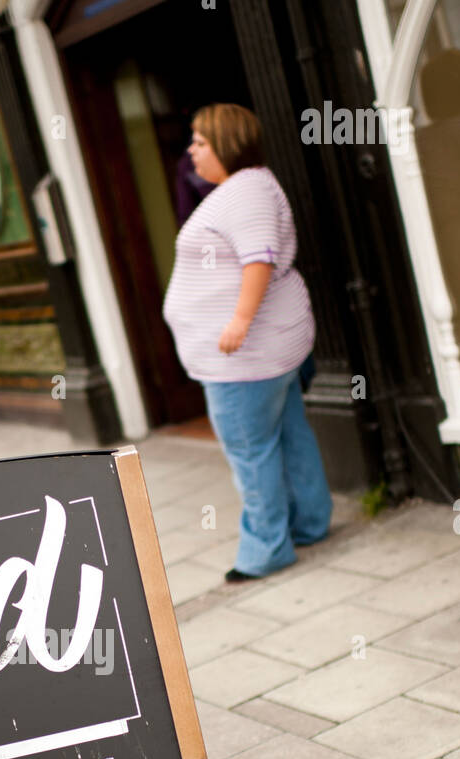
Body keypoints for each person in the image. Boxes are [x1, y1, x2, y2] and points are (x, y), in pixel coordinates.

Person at [163, 104, 331, 580]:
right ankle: (311, 523)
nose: (191, 151)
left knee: (249, 448)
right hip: (263, 352)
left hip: (245, 358)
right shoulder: (248, 187)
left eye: (200, 142)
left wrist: (238, 321)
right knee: (289, 433)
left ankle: (266, 549)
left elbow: (258, 259)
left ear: (227, 144)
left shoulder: (244, 191)